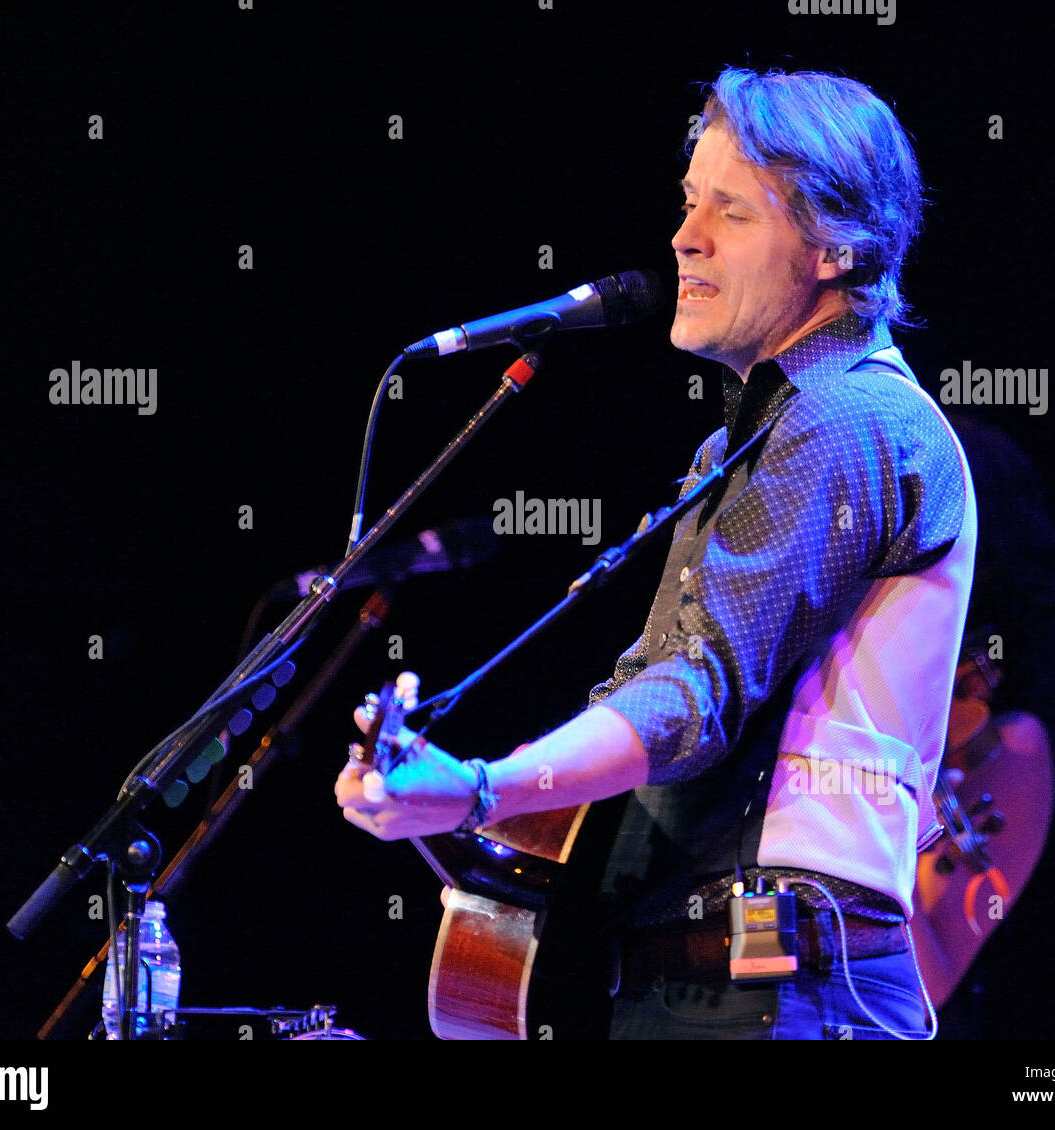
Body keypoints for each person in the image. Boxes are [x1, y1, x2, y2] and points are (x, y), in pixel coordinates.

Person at [336, 66, 976, 1040]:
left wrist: (476, 788)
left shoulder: (848, 418)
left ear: (836, 245)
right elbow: (662, 686)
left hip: (784, 987)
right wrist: (479, 802)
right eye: (688, 203)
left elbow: (693, 689)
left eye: (731, 211)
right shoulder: (744, 441)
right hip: (715, 981)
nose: (685, 237)